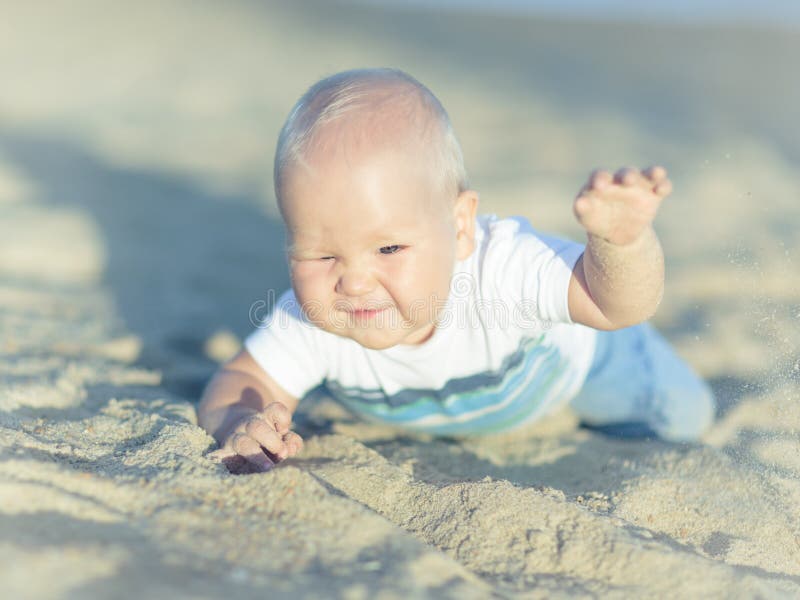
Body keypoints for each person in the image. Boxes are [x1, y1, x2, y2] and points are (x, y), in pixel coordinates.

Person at [197, 67, 715, 472]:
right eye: (322, 255)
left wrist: (620, 245)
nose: (352, 282)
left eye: (389, 249)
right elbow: (241, 377)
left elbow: (613, 304)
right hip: (446, 407)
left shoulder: (505, 270)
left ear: (460, 227)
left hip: (569, 370)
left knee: (684, 416)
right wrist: (243, 421)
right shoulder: (312, 321)